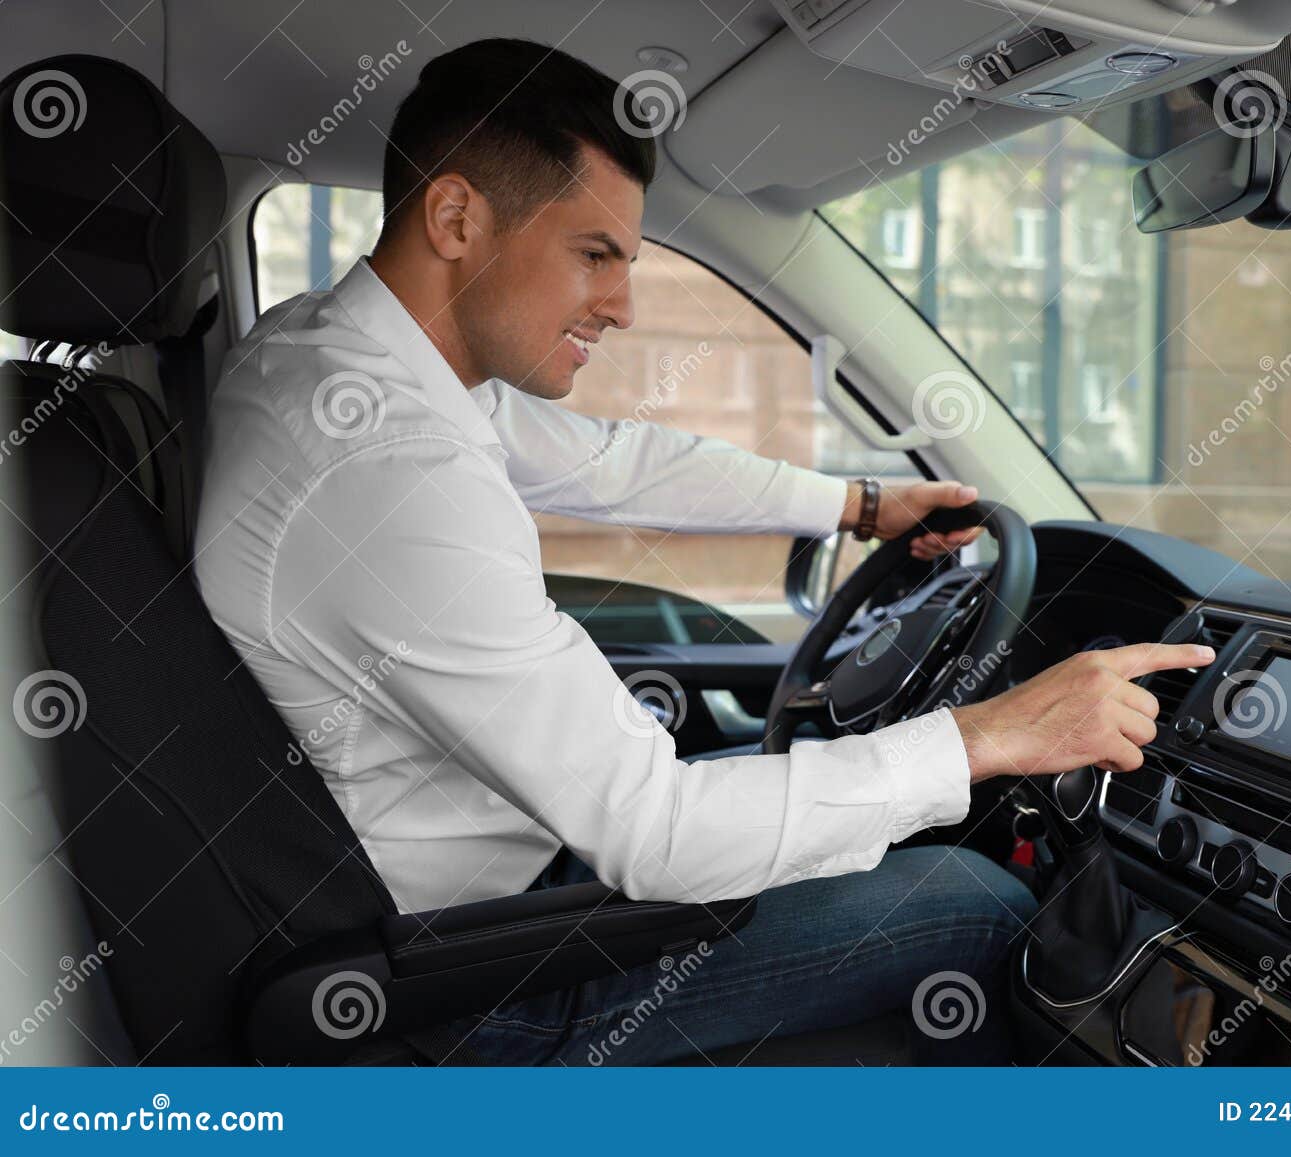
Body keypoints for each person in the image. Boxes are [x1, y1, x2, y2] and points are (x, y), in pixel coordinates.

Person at [195, 38, 1213, 1065]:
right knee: (979, 900)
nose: (624, 306)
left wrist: (861, 504)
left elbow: (612, 462)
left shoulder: (324, 355)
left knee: (797, 785)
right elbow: (657, 831)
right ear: (456, 218)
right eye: (594, 254)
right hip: (454, 993)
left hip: (452, 907)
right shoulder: (391, 471)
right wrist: (988, 737)